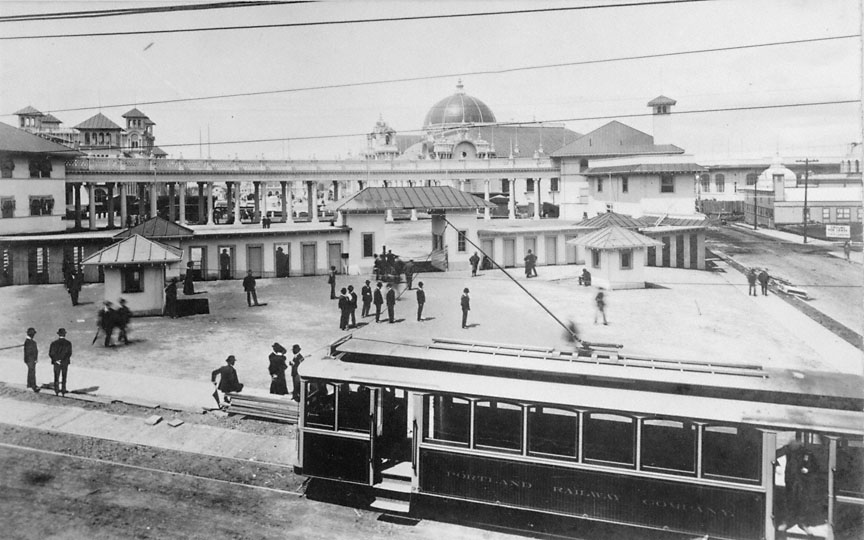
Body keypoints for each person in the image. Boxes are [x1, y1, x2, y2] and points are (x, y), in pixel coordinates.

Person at [49, 328, 72, 396]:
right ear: (65, 334)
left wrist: (56, 360)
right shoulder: (68, 343)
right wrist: (62, 360)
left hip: (56, 363)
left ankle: (56, 390)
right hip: (65, 362)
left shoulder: (54, 343)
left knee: (56, 376)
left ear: (58, 334)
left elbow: (51, 353)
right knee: (64, 376)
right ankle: (63, 390)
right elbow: (69, 353)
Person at [24, 327, 39, 393]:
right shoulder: (30, 342)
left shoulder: (29, 341)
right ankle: (33, 386)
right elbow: (30, 352)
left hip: (29, 359)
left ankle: (29, 384)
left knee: (31, 371)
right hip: (30, 360)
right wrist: (34, 359)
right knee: (32, 372)